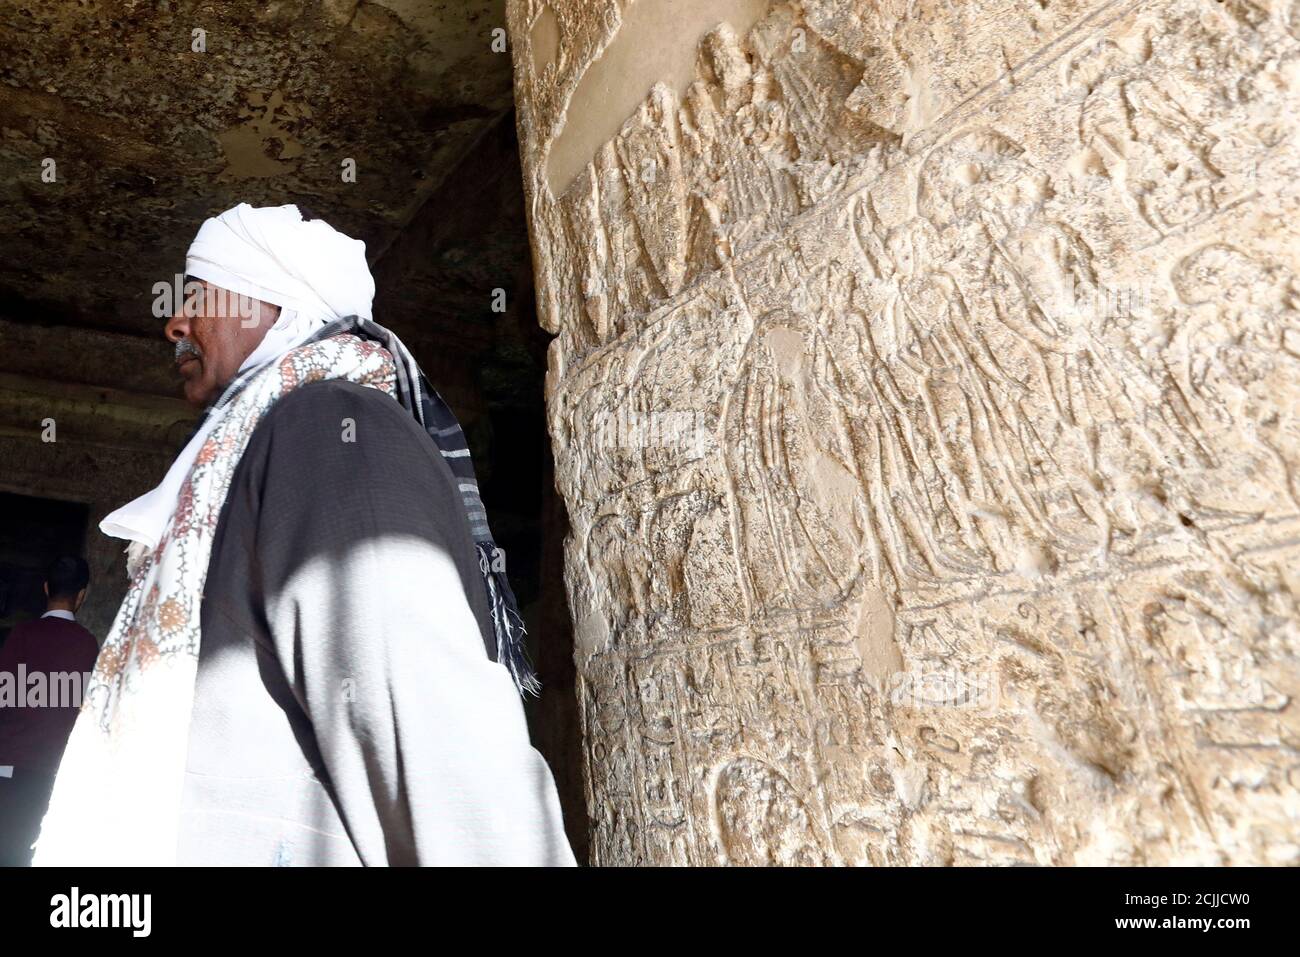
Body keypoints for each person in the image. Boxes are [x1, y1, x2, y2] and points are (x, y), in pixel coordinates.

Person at [32, 203, 577, 866]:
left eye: (197, 294)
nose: (174, 321)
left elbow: (438, 744)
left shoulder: (333, 426)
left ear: (278, 304)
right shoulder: (268, 448)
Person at [0, 557, 98, 865]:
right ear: (82, 594)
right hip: (53, 772)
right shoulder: (87, 645)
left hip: (9, 766)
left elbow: (5, 699)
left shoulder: (21, 635)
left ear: (45, 588)